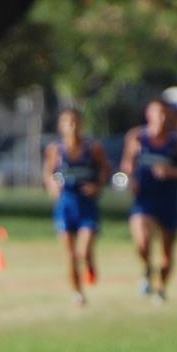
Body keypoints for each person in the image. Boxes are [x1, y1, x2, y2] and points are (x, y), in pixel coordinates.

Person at [119, 98, 177, 303]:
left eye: (165, 113)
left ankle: (161, 289)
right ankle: (147, 270)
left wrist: (172, 172)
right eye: (157, 112)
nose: (161, 118)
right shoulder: (137, 138)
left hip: (168, 200)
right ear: (148, 114)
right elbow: (126, 167)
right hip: (144, 199)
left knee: (167, 252)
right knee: (142, 242)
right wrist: (130, 179)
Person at [42, 107, 110, 306]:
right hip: (65, 205)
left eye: (75, 121)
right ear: (60, 126)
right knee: (71, 255)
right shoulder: (55, 150)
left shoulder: (93, 149)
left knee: (84, 250)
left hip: (87, 206)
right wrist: (53, 184)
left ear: (81, 124)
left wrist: (97, 185)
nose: (71, 126)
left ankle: (89, 262)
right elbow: (49, 173)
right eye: (66, 122)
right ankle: (78, 293)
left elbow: (106, 171)